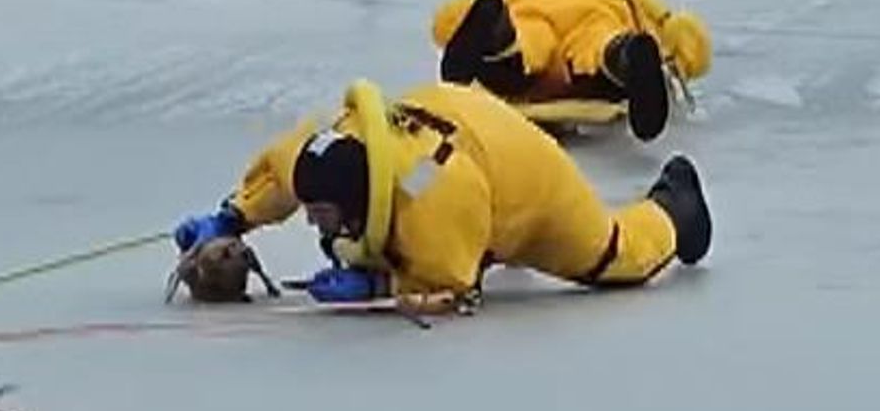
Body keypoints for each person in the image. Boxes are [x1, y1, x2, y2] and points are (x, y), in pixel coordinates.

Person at [171, 79, 712, 308]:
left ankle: (677, 205)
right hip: (448, 113)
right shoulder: (324, 156)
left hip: (519, 174)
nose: (313, 224)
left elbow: (452, 278)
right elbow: (280, 177)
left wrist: (379, 283)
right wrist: (231, 218)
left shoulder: (427, 193)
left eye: (323, 215)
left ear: (359, 197)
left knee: (616, 257)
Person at [431, 0, 711, 142]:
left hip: (530, 4)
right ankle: (623, 56)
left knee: (525, 41)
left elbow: (447, 23)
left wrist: (457, 26)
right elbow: (659, 21)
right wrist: (679, 50)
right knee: (599, 44)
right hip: (595, 10)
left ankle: (498, 34)